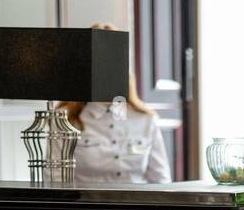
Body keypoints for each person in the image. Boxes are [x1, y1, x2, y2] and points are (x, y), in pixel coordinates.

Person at [59, 22, 172, 183]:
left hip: (137, 207)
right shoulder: (65, 120)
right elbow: (55, 182)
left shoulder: (146, 119)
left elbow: (161, 181)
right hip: (87, 207)